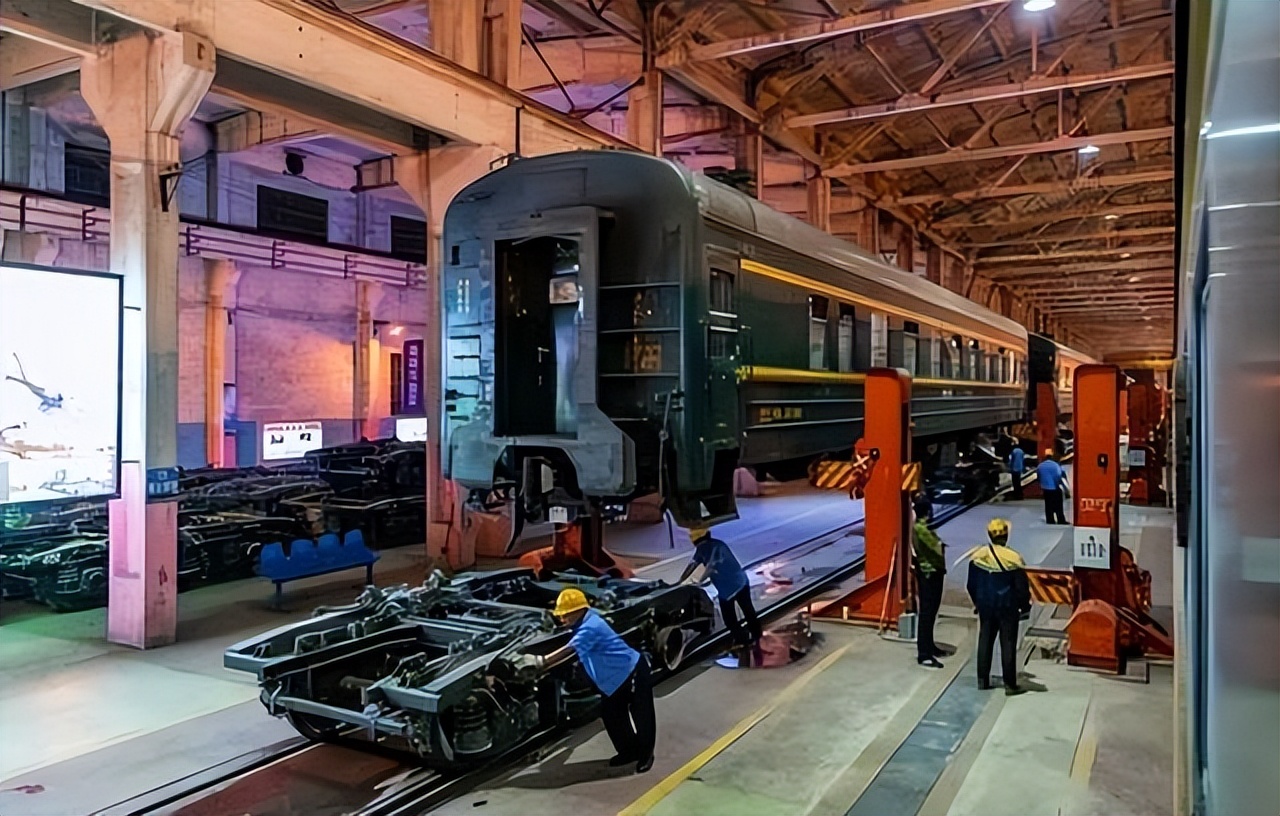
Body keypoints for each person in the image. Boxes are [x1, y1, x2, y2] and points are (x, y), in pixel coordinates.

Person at [517, 588, 656, 773]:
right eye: (561, 615)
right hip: (612, 680)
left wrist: (539, 662)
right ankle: (629, 752)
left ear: (579, 610)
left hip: (632, 672)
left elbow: (569, 649)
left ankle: (646, 754)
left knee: (642, 714)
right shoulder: (582, 622)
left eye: (566, 615)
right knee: (612, 716)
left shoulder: (591, 626)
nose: (562, 619)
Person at [965, 518, 1033, 695]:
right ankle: (1010, 684)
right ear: (1006, 536)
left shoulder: (978, 556)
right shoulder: (1014, 559)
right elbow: (1021, 589)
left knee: (985, 639)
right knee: (1008, 643)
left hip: (985, 605)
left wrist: (977, 602)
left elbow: (971, 584)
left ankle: (982, 679)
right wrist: (1024, 606)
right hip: (1007, 607)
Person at [679, 524, 762, 645]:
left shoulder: (709, 548)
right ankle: (756, 636)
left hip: (729, 587)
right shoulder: (715, 544)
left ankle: (743, 640)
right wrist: (682, 579)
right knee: (748, 611)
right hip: (739, 582)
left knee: (730, 618)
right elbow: (694, 564)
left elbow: (706, 566)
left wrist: (688, 581)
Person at [911, 494, 946, 668]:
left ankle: (929, 646)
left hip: (932, 572)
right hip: (929, 573)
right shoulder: (922, 529)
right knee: (927, 612)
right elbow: (937, 548)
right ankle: (924, 653)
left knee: (931, 612)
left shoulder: (922, 527)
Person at [1036, 451, 1069, 524]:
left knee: (1048, 505)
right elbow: (1059, 475)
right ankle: (1060, 520)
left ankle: (1050, 520)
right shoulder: (1056, 465)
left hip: (1046, 489)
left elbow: (1038, 477)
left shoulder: (1040, 466)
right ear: (1052, 457)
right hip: (1055, 487)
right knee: (1058, 505)